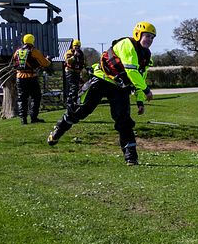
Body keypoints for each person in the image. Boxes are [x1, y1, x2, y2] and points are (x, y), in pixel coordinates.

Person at [47, 22, 156, 165]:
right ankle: (58, 130)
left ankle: (131, 158)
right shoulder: (127, 44)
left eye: (152, 38)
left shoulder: (147, 57)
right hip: (101, 79)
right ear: (137, 34)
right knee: (80, 109)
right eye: (147, 36)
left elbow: (140, 78)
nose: (149, 40)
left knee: (124, 121)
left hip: (119, 87)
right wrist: (147, 90)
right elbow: (131, 71)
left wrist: (140, 100)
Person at [11, 33, 52, 124]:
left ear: (24, 41)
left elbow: (14, 62)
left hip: (19, 77)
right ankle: (33, 117)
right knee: (36, 97)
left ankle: (23, 119)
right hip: (31, 77)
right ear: (32, 41)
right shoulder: (34, 51)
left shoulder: (17, 51)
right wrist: (48, 59)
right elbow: (45, 63)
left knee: (22, 98)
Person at [62, 39, 86, 107]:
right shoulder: (69, 52)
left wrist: (83, 68)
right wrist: (74, 56)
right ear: (73, 46)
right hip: (70, 71)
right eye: (76, 46)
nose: (77, 48)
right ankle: (71, 102)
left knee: (77, 87)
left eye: (78, 46)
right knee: (73, 86)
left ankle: (74, 101)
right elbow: (68, 61)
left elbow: (82, 62)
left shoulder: (81, 53)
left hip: (77, 72)